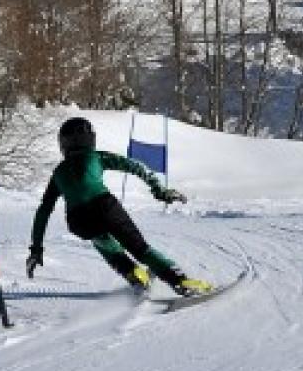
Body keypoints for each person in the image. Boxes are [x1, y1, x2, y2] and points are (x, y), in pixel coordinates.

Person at [27, 117, 212, 296]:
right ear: (91, 139)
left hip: (78, 221)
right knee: (140, 249)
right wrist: (159, 190)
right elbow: (137, 167)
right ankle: (179, 280)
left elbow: (43, 210)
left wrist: (36, 249)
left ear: (63, 144)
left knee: (101, 239)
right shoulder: (96, 156)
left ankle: (132, 273)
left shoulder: (58, 173)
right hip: (105, 207)